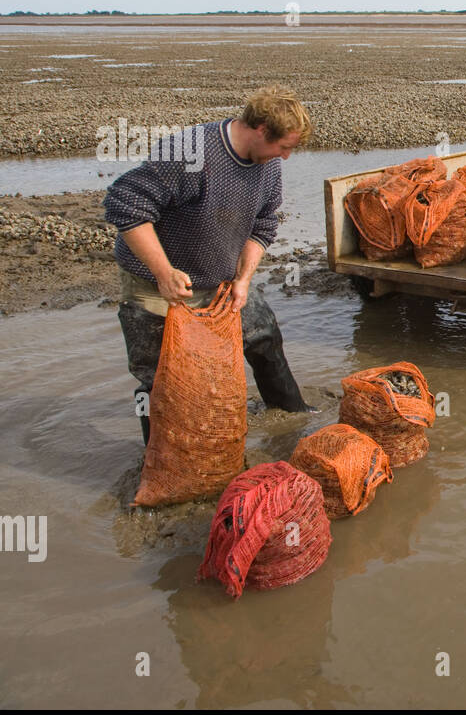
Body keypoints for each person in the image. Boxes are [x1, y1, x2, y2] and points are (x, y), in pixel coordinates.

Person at [105, 84, 316, 445]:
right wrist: (163, 272)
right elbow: (125, 205)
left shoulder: (268, 165)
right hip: (157, 283)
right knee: (159, 375)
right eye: (284, 147)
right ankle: (158, 464)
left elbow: (264, 224)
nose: (286, 157)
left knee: (263, 337)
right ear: (262, 130)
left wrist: (244, 279)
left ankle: (294, 419)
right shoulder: (189, 153)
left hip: (220, 278)